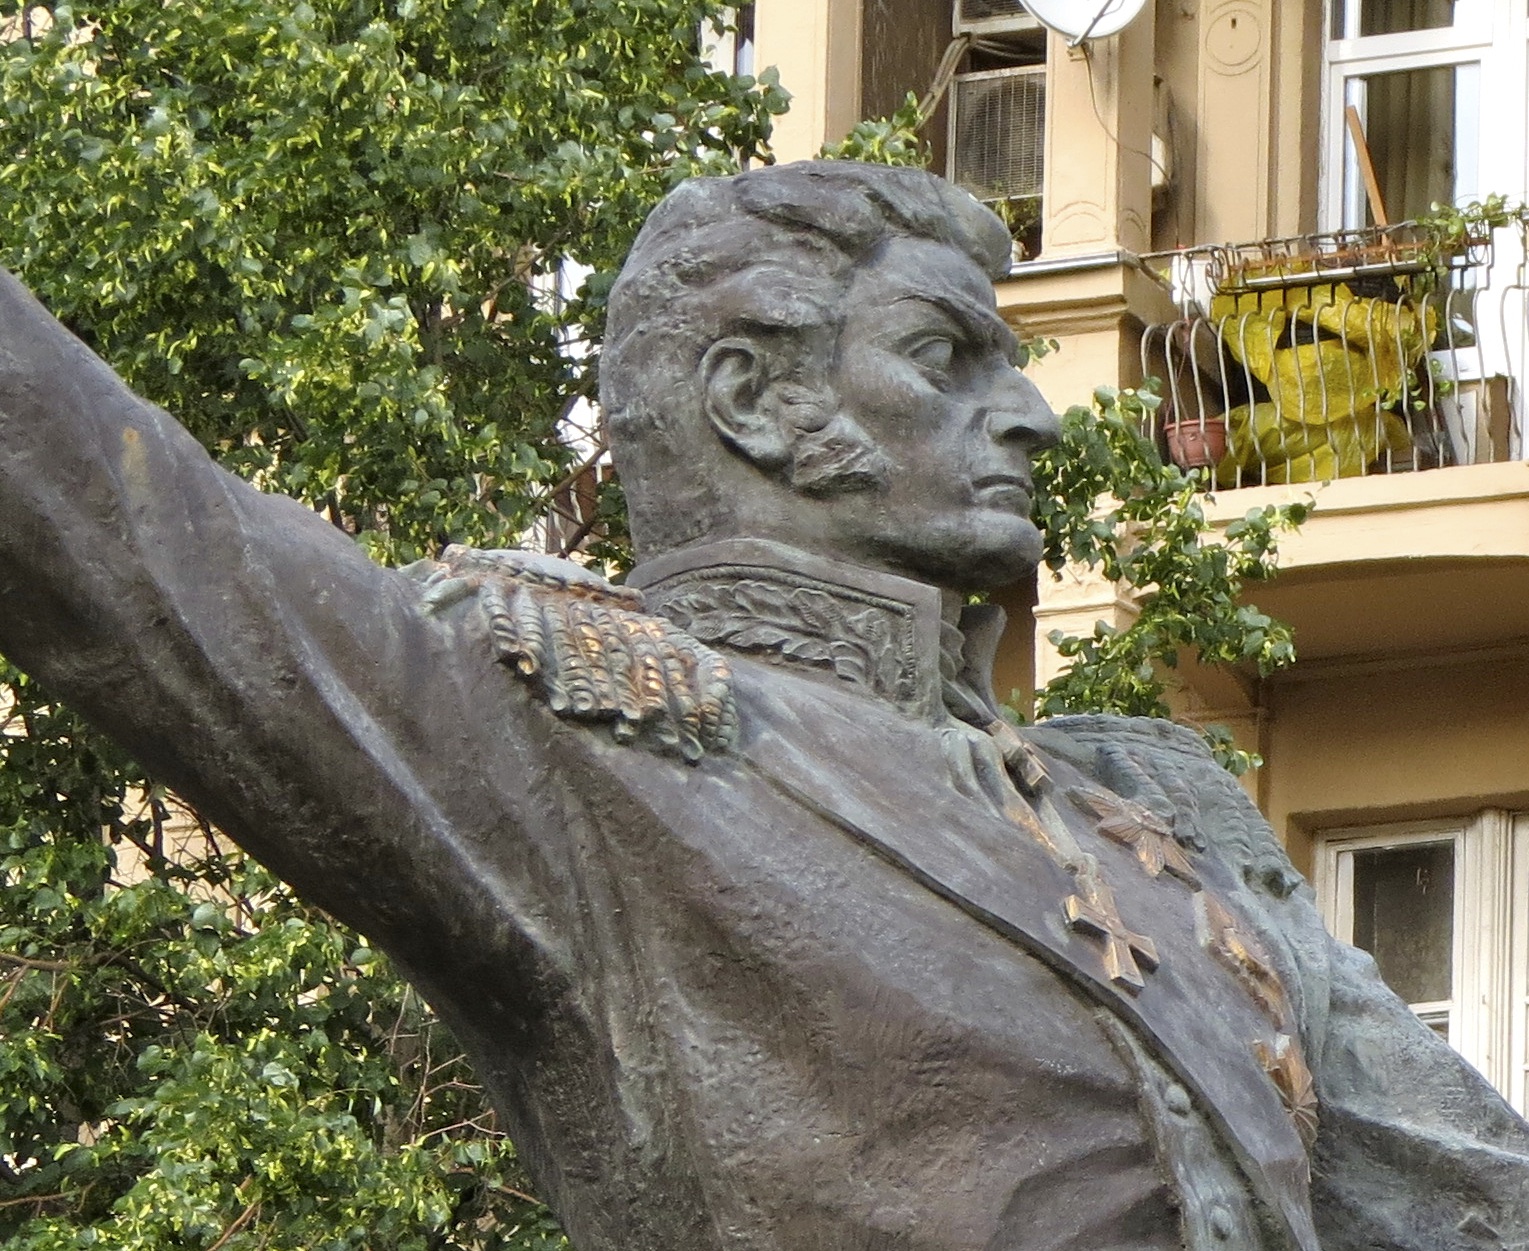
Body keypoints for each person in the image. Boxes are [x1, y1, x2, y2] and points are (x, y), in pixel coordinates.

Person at [1, 161, 1526, 1251]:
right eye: (944, 356)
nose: (1034, 413)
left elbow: (1465, 1190)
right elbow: (144, 544)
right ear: (752, 402)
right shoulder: (570, 726)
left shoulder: (1152, 814)